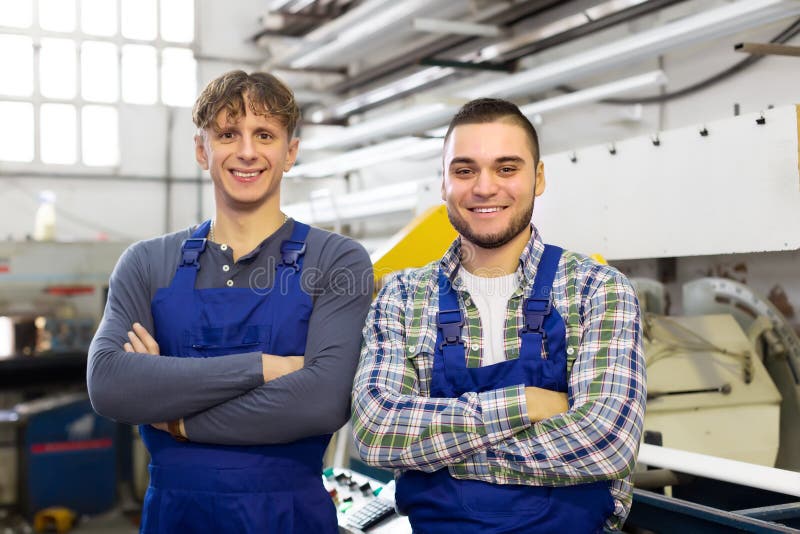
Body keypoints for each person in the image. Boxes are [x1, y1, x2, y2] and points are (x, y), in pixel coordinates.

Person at [87, 70, 373, 533]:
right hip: (175, 519)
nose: (246, 151)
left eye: (264, 134)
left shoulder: (337, 261)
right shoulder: (146, 263)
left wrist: (175, 417)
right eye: (227, 134)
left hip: (289, 516)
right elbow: (110, 384)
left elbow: (323, 401)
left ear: (290, 153)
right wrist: (265, 368)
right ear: (203, 150)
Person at [351, 98, 646, 533]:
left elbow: (605, 444)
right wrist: (527, 404)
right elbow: (375, 432)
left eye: (507, 168)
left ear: (538, 178)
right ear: (444, 183)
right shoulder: (402, 296)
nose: (485, 187)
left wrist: (437, 457)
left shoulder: (597, 289)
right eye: (465, 170)